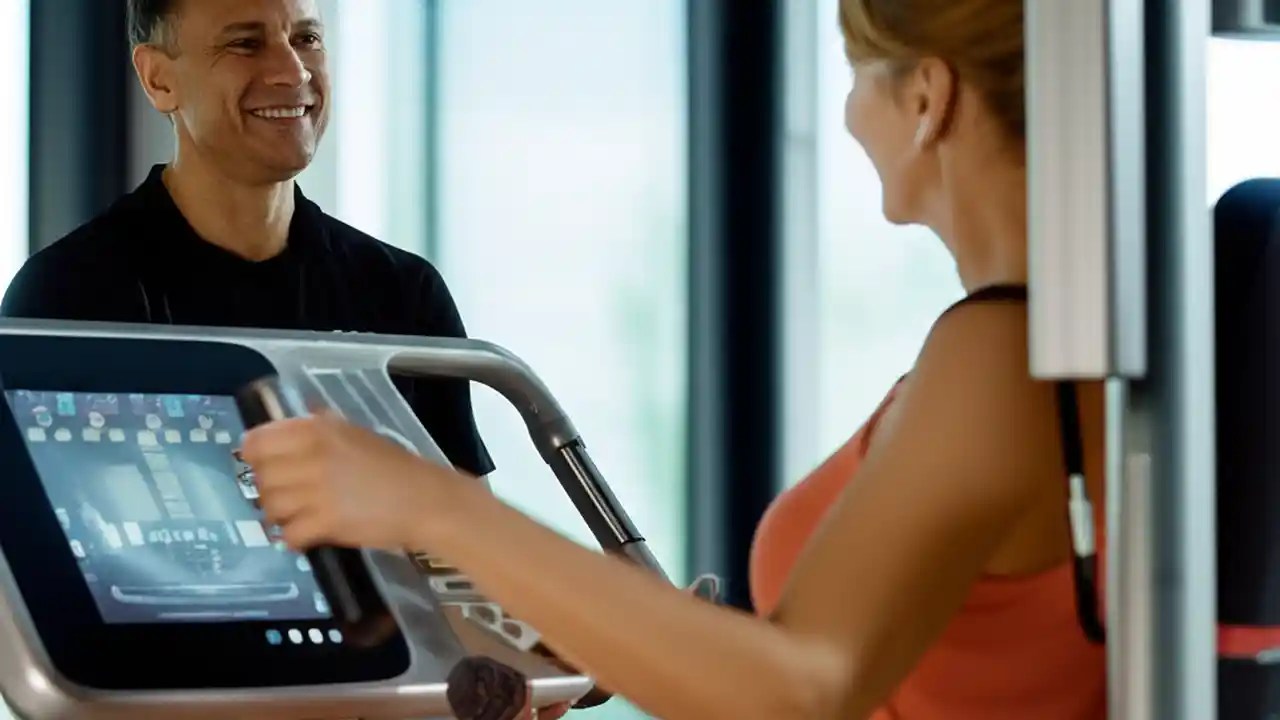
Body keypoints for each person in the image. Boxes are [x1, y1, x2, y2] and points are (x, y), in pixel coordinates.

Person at [240, 1, 1110, 718]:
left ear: (927, 99)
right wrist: (640, 634)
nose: (847, 114)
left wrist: (427, 504)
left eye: (853, 76)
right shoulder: (1056, 343)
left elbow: (801, 689)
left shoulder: (999, 354)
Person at [0, 0, 493, 482]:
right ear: (158, 79)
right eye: (245, 44)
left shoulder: (402, 292)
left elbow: (475, 547)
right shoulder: (66, 299)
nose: (293, 71)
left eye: (307, 39)